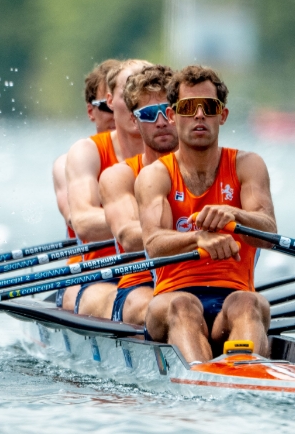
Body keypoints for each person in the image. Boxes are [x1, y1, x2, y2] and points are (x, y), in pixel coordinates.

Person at [136, 65, 276, 363]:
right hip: (172, 298)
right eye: (188, 107)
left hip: (234, 297)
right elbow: (153, 244)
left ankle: (244, 373)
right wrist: (198, 238)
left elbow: (269, 233)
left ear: (221, 116)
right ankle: (201, 379)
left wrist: (233, 215)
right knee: (184, 306)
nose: (199, 115)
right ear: (173, 116)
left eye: (208, 107)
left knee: (249, 303)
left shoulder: (247, 165)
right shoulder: (155, 176)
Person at [87, 65, 178, 325]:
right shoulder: (119, 176)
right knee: (176, 307)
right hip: (139, 286)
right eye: (149, 114)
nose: (160, 121)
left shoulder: (220, 168)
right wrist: (196, 234)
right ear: (136, 121)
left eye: (168, 113)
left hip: (199, 283)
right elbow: (129, 236)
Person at [62, 59, 152, 312]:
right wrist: (156, 222)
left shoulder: (176, 150)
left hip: (163, 270)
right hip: (101, 274)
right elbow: (83, 223)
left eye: (148, 96)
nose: (138, 106)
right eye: (131, 95)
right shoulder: (86, 152)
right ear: (110, 101)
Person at [52, 59, 119, 246]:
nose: (117, 114)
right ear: (91, 111)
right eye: (108, 106)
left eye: (125, 104)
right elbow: (77, 219)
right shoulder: (68, 163)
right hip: (97, 269)